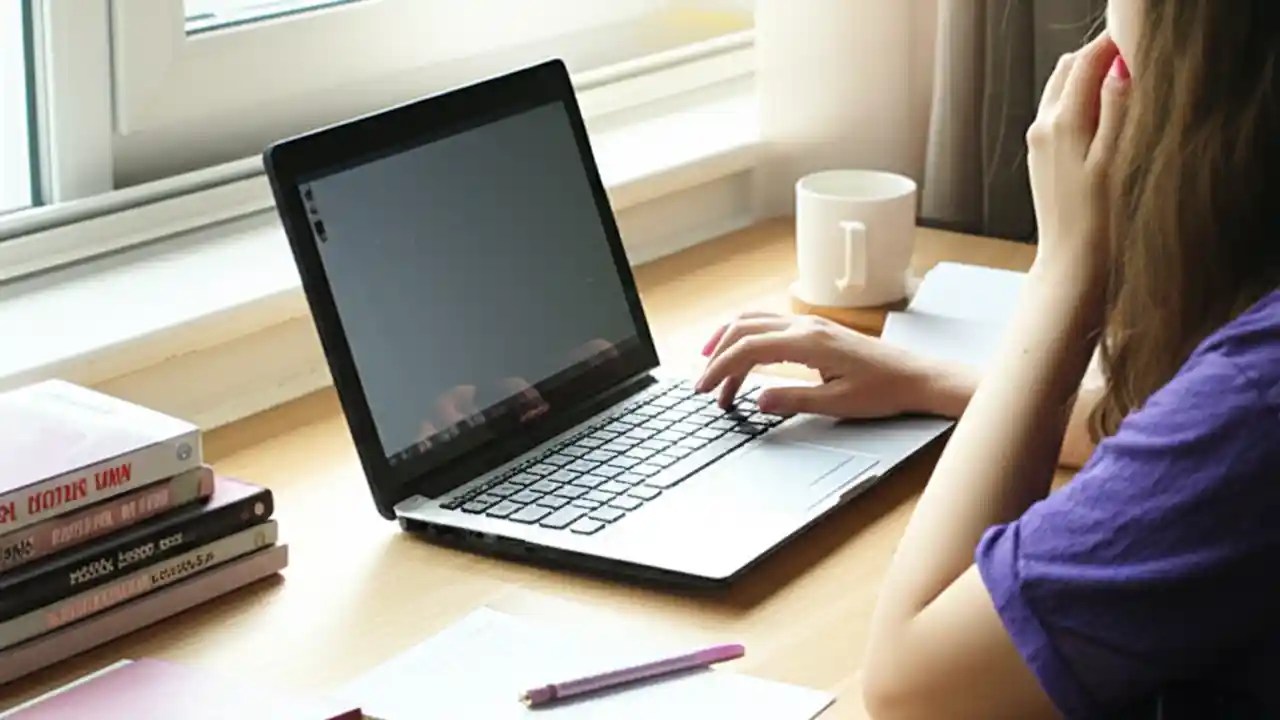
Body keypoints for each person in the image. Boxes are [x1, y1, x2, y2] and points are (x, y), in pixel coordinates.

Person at [696, 1, 1280, 717]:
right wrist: (929, 380)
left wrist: (1067, 267)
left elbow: (912, 692)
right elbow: (1186, 429)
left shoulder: (1259, 396)